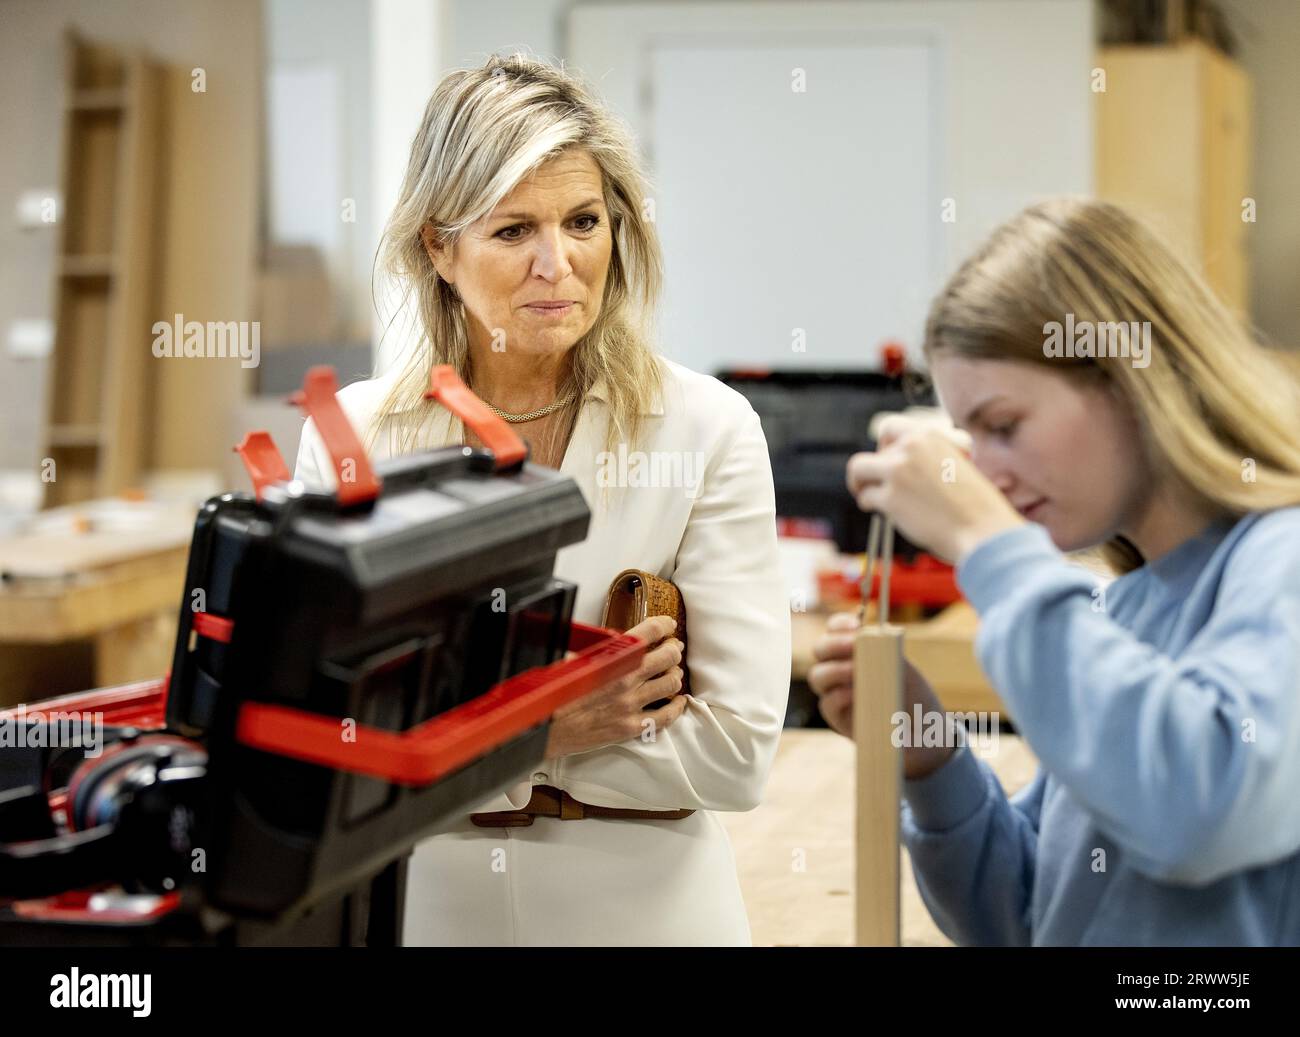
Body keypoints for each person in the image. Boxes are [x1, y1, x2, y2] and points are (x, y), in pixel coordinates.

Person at [293, 53, 790, 945]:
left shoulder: (705, 429)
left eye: (583, 221)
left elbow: (737, 753)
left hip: (652, 913)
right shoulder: (356, 439)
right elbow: (328, 749)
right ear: (438, 248)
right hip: (426, 913)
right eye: (514, 230)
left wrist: (451, 737)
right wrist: (543, 731)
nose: (558, 265)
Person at [809, 197, 1300, 945]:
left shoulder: (1281, 560)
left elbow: (1200, 812)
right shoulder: (1125, 608)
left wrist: (989, 539)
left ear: (1134, 380)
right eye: (971, 438)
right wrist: (932, 754)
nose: (990, 473)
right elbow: (1035, 914)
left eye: (1004, 427)